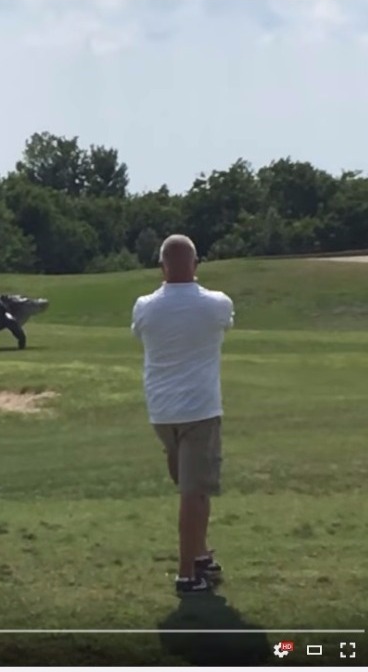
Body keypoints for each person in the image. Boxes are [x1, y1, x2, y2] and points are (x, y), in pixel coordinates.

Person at [131, 234, 234, 595]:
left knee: (190, 487)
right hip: (200, 410)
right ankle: (188, 573)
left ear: (161, 266)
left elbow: (140, 334)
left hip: (161, 412)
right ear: (195, 264)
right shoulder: (217, 304)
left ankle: (201, 553)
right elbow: (224, 324)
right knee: (196, 493)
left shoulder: (144, 306)